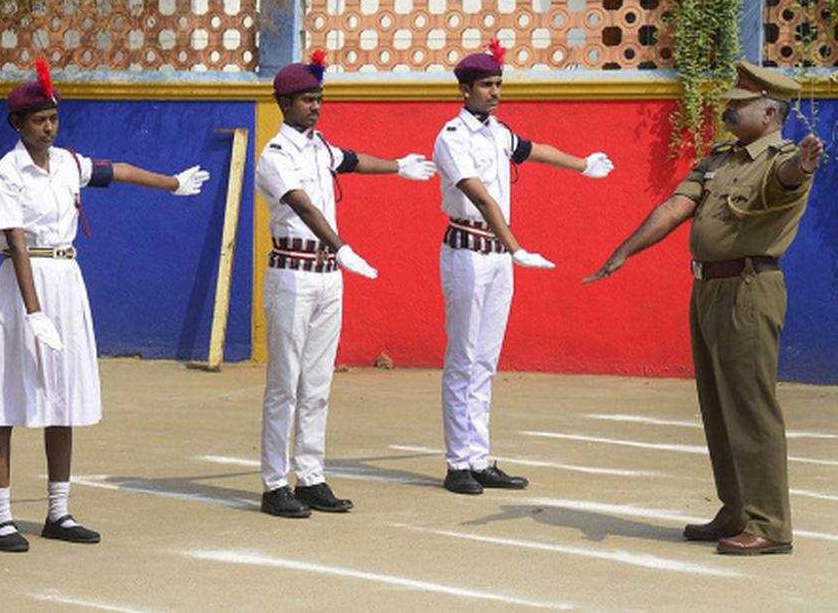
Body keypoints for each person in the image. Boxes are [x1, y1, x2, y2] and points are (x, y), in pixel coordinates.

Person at [585, 62, 822, 555]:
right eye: (729, 101)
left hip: (749, 288)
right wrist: (625, 251)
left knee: (750, 405)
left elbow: (785, 182)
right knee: (717, 404)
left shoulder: (780, 159)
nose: (728, 109)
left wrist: (801, 168)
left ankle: (770, 524)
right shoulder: (719, 159)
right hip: (709, 288)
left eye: (739, 104)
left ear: (770, 112)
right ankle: (736, 510)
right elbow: (675, 207)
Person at [0, 60, 211, 550]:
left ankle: (58, 512)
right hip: (25, 282)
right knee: (6, 399)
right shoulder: (6, 174)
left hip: (66, 278)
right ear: (17, 124)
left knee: (62, 398)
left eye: (53, 118)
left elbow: (117, 170)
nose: (48, 127)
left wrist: (172, 183)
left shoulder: (67, 163)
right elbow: (17, 243)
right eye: (38, 120)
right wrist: (34, 312)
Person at [255, 50, 437, 518]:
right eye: (306, 99)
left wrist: (397, 166)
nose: (315, 106)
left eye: (318, 98)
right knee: (284, 385)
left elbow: (353, 161)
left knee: (317, 383)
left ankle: (310, 476)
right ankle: (274, 484)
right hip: (293, 274)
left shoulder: (320, 147)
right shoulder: (275, 156)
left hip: (327, 277)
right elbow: (303, 206)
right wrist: (341, 246)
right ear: (284, 103)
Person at [434, 41, 614, 495]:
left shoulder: (498, 132)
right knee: (463, 359)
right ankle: (457, 464)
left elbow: (535, 150)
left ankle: (478, 458)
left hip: (498, 257)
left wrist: (583, 165)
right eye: (486, 85)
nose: (495, 92)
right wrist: (515, 247)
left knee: (486, 360)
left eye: (498, 84)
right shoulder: (451, 137)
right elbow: (481, 198)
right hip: (469, 251)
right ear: (465, 90)